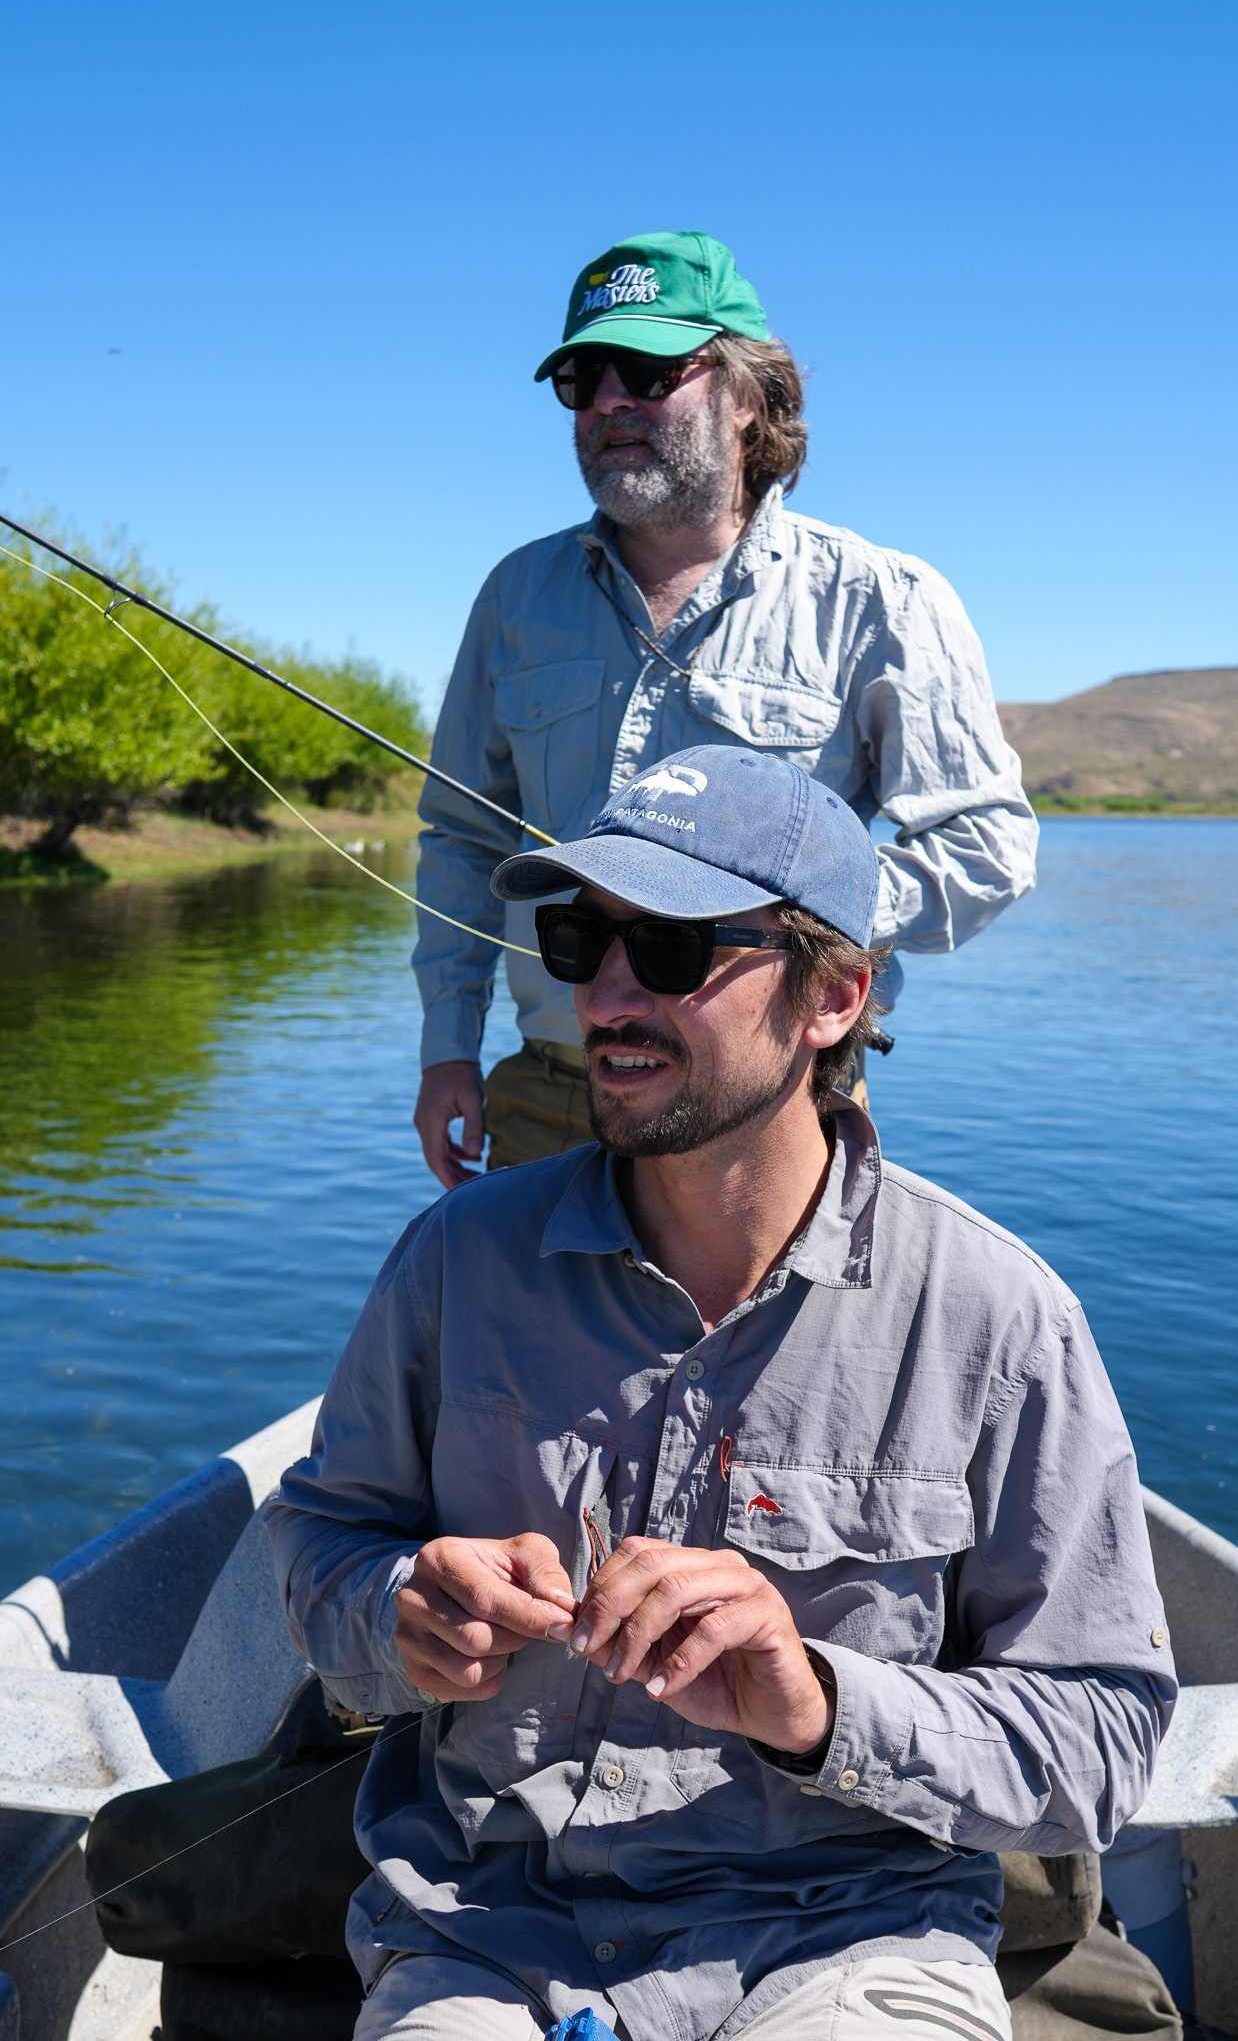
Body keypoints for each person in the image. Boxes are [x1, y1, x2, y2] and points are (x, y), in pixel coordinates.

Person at [269, 747, 1176, 2041]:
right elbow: (318, 1545)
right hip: (488, 1934)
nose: (607, 998)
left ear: (836, 997)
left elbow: (1099, 1741)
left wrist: (814, 1702)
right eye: (583, 940)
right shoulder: (453, 1263)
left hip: (854, 1938)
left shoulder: (999, 1319)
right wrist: (397, 1613)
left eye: (679, 952)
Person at [411, 229, 1038, 1183]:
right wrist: (446, 1046)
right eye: (583, 377)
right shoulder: (514, 595)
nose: (611, 398)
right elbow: (461, 836)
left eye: (651, 369)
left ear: (746, 396)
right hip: (550, 1090)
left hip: (775, 1106)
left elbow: (987, 842)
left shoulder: (885, 599)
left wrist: (812, 915)